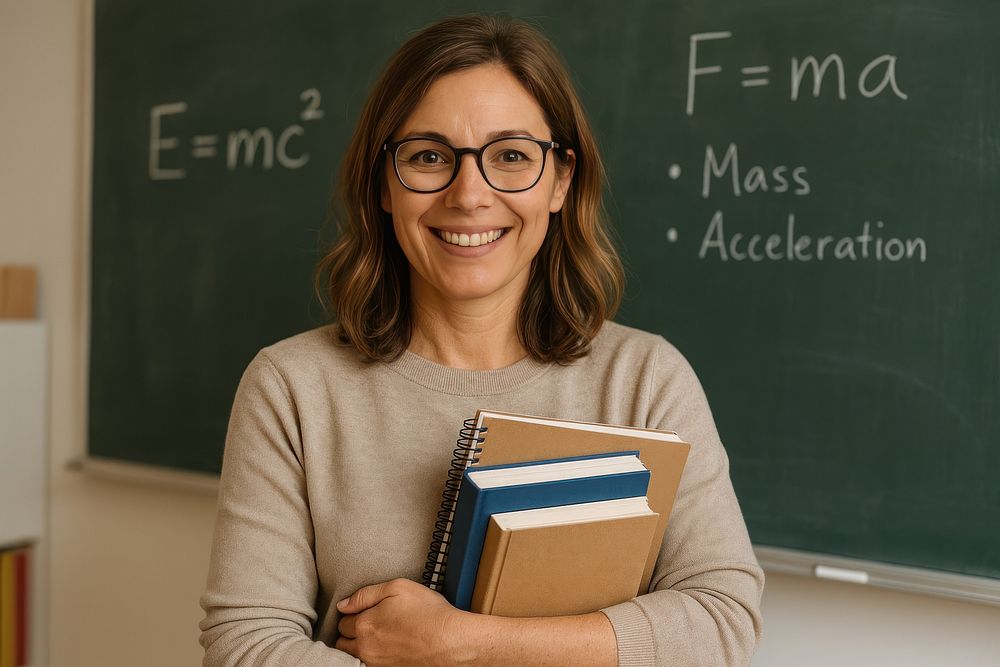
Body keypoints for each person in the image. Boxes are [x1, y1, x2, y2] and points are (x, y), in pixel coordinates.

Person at [199, 14, 763, 667]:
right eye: (430, 156)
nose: (470, 195)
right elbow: (244, 644)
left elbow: (722, 621)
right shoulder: (292, 386)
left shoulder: (646, 378)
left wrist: (464, 642)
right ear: (384, 182)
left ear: (560, 181)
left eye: (512, 156)